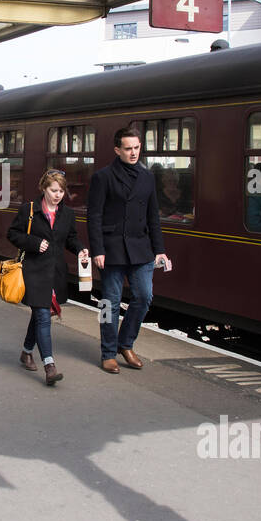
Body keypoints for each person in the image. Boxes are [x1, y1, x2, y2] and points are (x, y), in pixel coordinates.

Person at [87, 127, 170, 374]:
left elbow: (152, 215)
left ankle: (126, 343)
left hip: (141, 248)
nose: (133, 153)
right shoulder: (103, 177)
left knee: (144, 297)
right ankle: (108, 352)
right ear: (117, 150)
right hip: (112, 249)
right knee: (108, 304)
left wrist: (160, 250)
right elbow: (94, 216)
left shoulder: (147, 177)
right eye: (128, 149)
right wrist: (97, 249)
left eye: (136, 148)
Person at [7, 170, 87, 385]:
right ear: (43, 188)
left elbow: (71, 239)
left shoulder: (67, 214)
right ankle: (49, 366)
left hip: (55, 273)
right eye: (53, 190)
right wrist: (33, 243)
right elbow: (13, 234)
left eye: (61, 191)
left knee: (40, 315)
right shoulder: (29, 210)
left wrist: (80, 250)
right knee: (43, 315)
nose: (57, 195)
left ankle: (26, 352)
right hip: (33, 271)